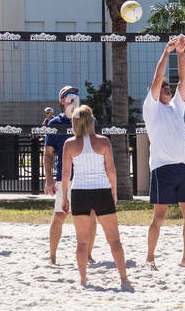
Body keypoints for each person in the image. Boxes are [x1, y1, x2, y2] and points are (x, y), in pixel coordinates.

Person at [61, 105, 131, 289]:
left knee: (82, 242)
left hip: (80, 193)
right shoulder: (103, 141)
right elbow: (111, 171)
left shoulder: (69, 144)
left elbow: (66, 174)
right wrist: (113, 192)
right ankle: (123, 278)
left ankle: (83, 280)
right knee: (114, 240)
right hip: (101, 191)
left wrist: (64, 198)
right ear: (91, 121)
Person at [143, 35, 185, 270]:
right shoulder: (151, 108)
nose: (166, 88)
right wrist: (166, 52)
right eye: (163, 87)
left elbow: (184, 80)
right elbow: (157, 79)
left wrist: (181, 53)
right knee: (159, 217)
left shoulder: (176, 107)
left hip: (183, 167)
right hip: (163, 168)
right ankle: (150, 258)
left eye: (168, 87)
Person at [44, 85, 94, 266]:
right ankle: (52, 256)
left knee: (91, 216)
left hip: (88, 176)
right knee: (60, 215)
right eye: (69, 95)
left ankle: (88, 255)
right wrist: (49, 179)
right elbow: (48, 153)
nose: (73, 97)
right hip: (66, 177)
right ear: (62, 100)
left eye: (76, 95)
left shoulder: (87, 119)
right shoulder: (55, 124)